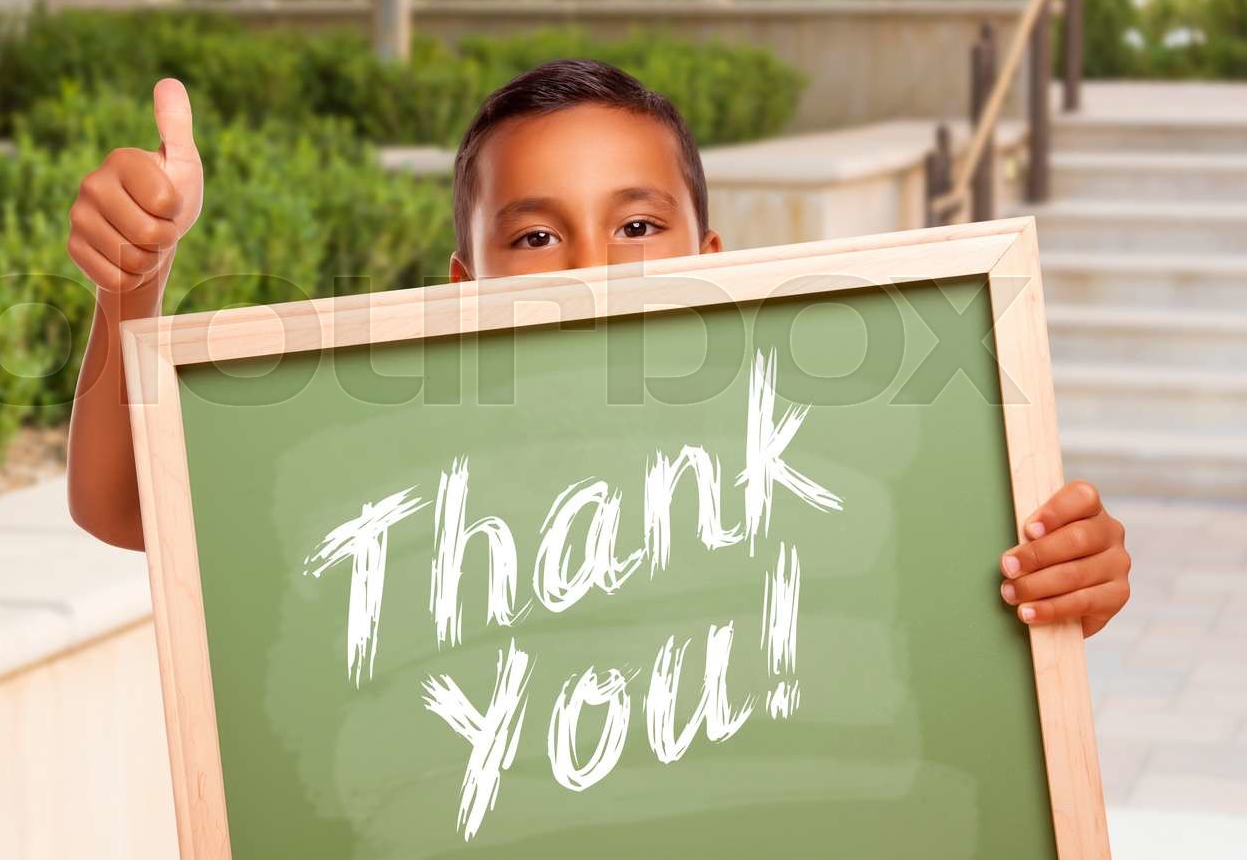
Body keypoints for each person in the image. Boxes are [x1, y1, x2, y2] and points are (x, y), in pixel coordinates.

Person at [64, 60, 1131, 638]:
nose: (590, 267)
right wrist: (132, 285)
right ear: (463, 284)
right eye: (534, 236)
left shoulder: (829, 448)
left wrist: (1062, 578)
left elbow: (956, 596)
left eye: (635, 225)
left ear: (709, 254)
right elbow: (122, 506)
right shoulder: (393, 454)